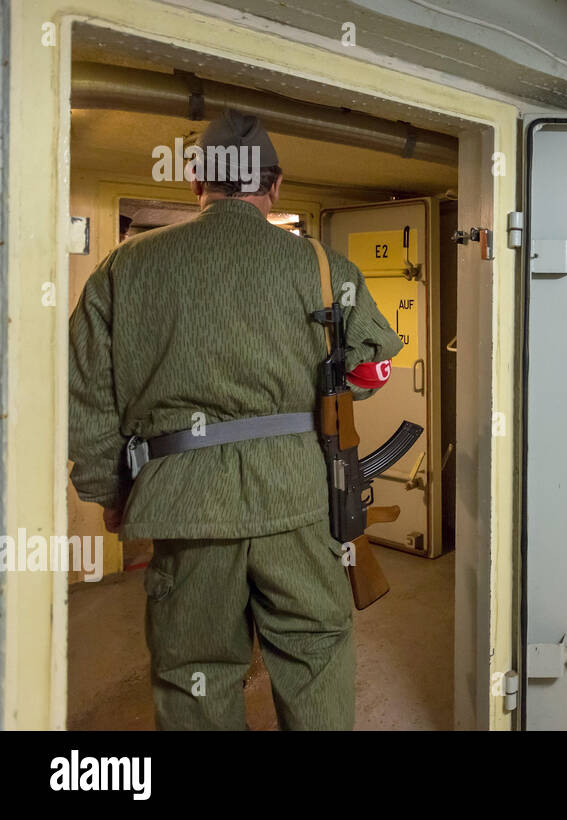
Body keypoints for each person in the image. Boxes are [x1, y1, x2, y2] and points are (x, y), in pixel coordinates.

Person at [68, 110, 402, 730]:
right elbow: (374, 362)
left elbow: (87, 398)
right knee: (314, 657)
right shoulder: (325, 267)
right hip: (301, 500)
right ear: (273, 186)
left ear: (197, 182)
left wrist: (109, 493)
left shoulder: (124, 267)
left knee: (197, 670)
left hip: (182, 502)